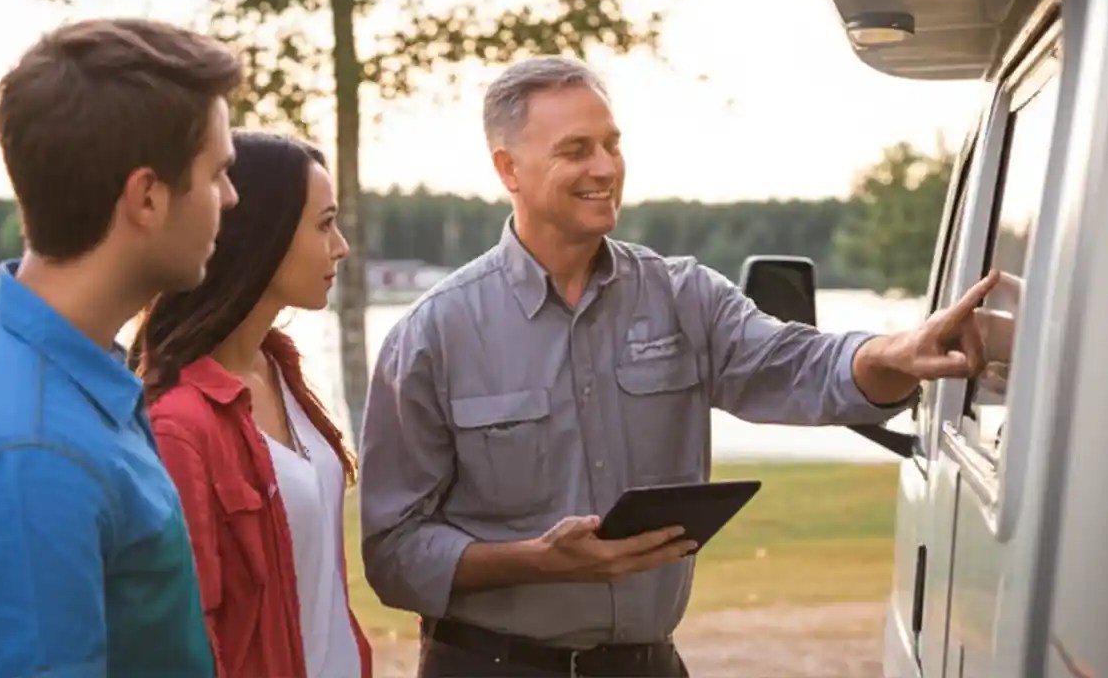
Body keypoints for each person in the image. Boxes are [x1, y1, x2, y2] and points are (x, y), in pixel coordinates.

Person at [358, 56, 999, 677]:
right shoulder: (433, 335)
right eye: (576, 150)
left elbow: (801, 364)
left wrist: (897, 352)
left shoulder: (684, 296)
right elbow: (394, 553)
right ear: (508, 169)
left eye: (612, 145)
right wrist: (537, 560)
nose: (605, 167)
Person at [0, 18, 242, 677]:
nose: (231, 197)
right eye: (218, 172)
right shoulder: (34, 457)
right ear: (147, 197)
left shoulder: (12, 342)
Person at [129, 131, 372, 678]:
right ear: (265, 234)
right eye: (324, 225)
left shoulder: (279, 370)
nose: (341, 246)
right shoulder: (177, 424)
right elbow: (184, 635)